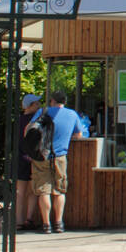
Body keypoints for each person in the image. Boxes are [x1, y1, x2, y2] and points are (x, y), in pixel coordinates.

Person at [29, 89, 82, 234]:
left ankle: (46, 224)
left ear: (52, 100)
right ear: (65, 102)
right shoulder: (72, 114)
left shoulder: (42, 112)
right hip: (60, 156)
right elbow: (79, 134)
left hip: (41, 156)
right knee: (59, 190)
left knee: (43, 190)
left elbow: (29, 130)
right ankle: (59, 223)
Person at [16, 95, 42, 228]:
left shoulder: (18, 121)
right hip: (33, 157)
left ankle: (18, 220)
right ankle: (29, 218)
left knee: (20, 191)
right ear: (31, 105)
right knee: (33, 190)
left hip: (19, 157)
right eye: (37, 103)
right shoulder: (36, 121)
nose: (39, 105)